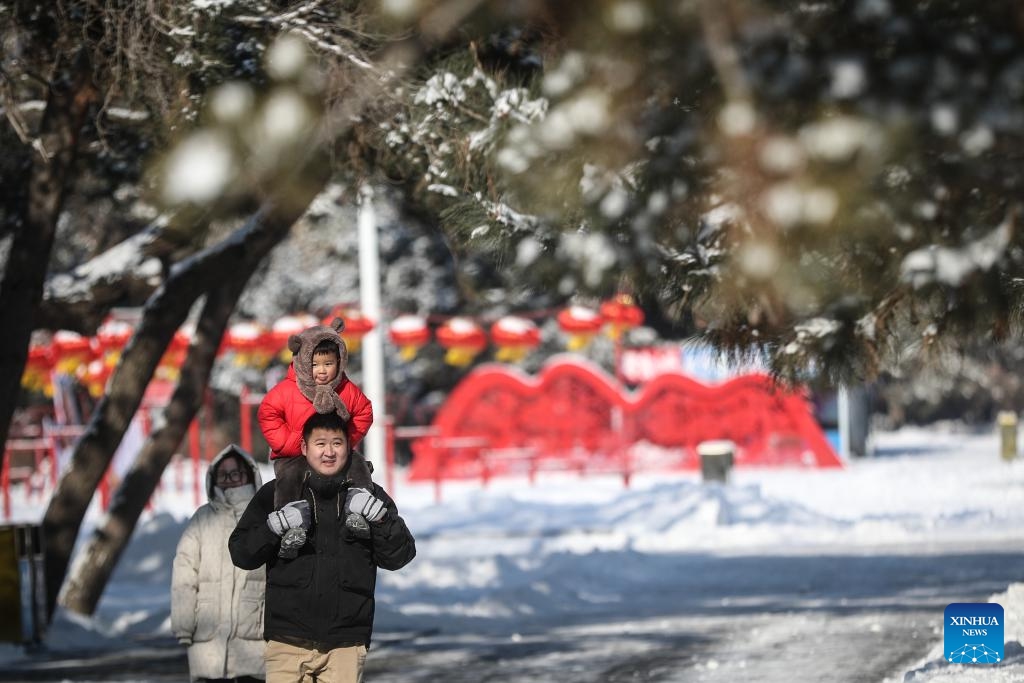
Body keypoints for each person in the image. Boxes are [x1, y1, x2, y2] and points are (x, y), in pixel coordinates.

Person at [229, 411, 416, 683]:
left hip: (346, 642)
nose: (329, 452)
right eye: (320, 443)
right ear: (305, 447)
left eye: (337, 443)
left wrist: (380, 518)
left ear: (348, 446)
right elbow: (241, 553)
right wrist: (274, 525)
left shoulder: (369, 494)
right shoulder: (277, 493)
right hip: (287, 640)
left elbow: (400, 556)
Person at [257, 317, 375, 555]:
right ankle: (291, 521)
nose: (322, 371)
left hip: (334, 455)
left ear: (339, 361)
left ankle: (358, 507)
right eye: (314, 364)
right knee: (289, 478)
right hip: (294, 454)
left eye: (328, 364)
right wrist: (290, 442)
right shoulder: (287, 390)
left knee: (358, 465)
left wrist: (345, 441)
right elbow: (268, 413)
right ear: (302, 362)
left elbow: (364, 411)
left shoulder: (346, 389)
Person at [172, 445, 267, 683]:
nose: (229, 480)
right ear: (213, 478)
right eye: (223, 474)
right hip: (208, 637)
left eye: (236, 473)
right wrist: (184, 623)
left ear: (250, 475)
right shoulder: (202, 518)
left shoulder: (263, 517)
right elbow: (184, 573)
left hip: (255, 635)